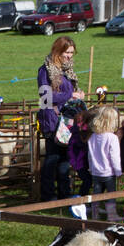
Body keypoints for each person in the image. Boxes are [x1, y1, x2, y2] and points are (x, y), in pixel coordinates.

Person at [36, 35, 85, 201]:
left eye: (72, 53)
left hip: (66, 121)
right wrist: (70, 94)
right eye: (66, 52)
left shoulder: (67, 72)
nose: (69, 56)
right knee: (53, 157)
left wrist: (76, 97)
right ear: (58, 51)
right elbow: (45, 97)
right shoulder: (45, 70)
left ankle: (64, 193)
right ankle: (48, 195)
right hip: (51, 119)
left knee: (64, 157)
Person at [88, 105, 122, 221]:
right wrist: (118, 171)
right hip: (109, 173)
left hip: (96, 172)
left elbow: (90, 154)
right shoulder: (112, 138)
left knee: (96, 194)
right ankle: (111, 215)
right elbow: (114, 156)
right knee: (111, 195)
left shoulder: (92, 137)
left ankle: (95, 215)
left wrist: (91, 168)